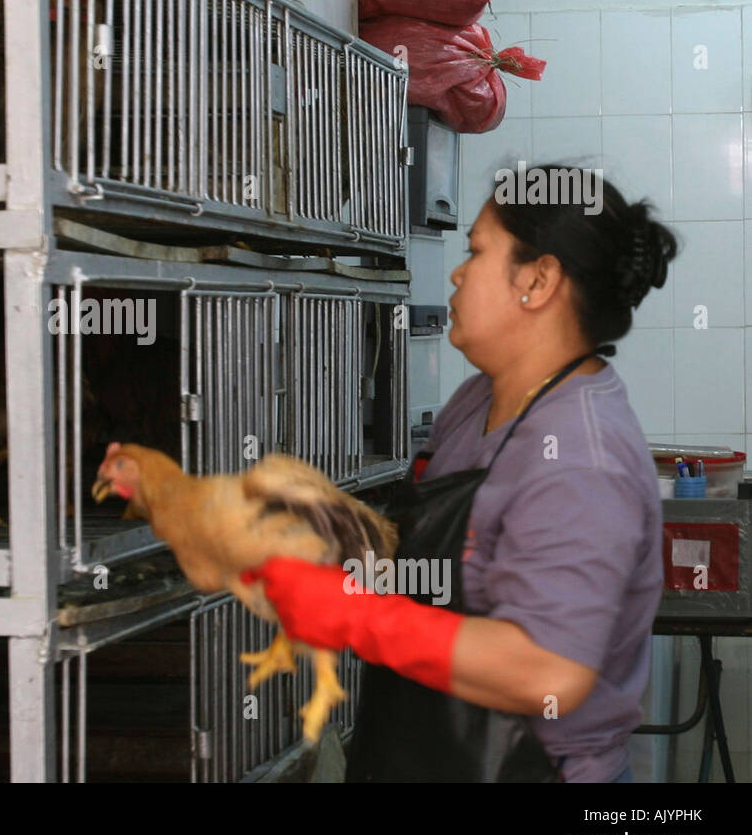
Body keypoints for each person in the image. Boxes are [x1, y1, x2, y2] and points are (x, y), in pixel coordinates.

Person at [247, 165, 677, 782]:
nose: (456, 271)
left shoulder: (581, 456)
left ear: (538, 279)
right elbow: (436, 573)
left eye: (476, 251)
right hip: (429, 751)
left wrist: (353, 615)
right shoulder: (480, 399)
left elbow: (546, 670)